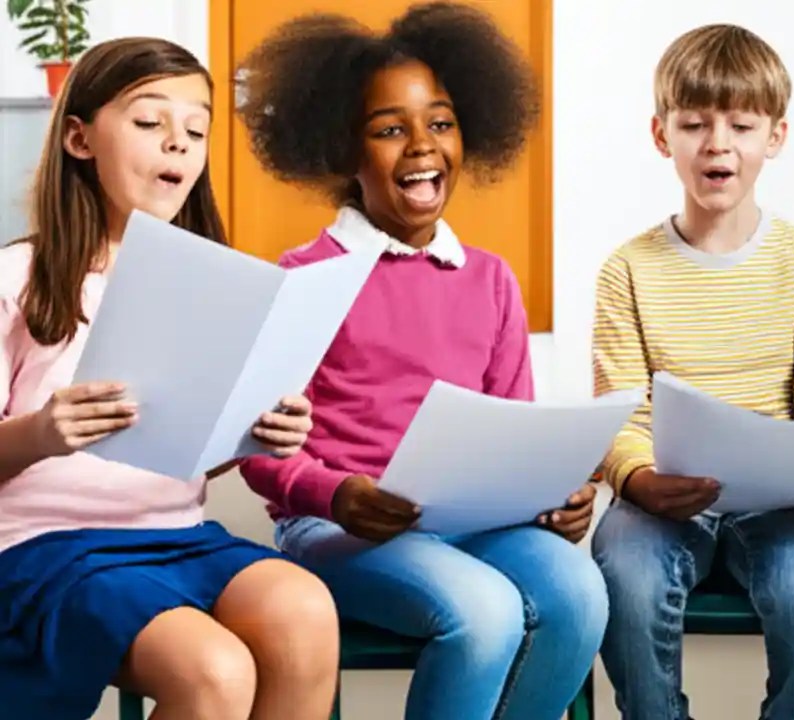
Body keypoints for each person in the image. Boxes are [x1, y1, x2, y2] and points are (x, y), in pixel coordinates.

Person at [236, 4, 607, 719]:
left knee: (581, 595)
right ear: (344, 149)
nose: (422, 147)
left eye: (440, 123)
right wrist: (338, 494)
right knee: (488, 613)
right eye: (389, 129)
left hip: (476, 526)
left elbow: (511, 436)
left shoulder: (491, 278)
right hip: (338, 533)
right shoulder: (307, 275)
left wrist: (552, 497)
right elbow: (259, 453)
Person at [0, 37, 338, 720]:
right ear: (78, 138)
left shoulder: (214, 285)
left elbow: (185, 457)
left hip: (177, 533)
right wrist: (42, 433)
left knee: (306, 611)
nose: (177, 144)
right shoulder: (19, 278)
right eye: (151, 123)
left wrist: (250, 436)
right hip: (41, 548)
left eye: (196, 129)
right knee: (215, 672)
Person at [590, 23, 794, 720]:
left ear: (774, 137)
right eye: (694, 123)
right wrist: (639, 480)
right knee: (627, 582)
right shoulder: (627, 270)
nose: (717, 142)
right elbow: (623, 419)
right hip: (658, 506)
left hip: (781, 506)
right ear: (663, 136)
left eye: (741, 125)